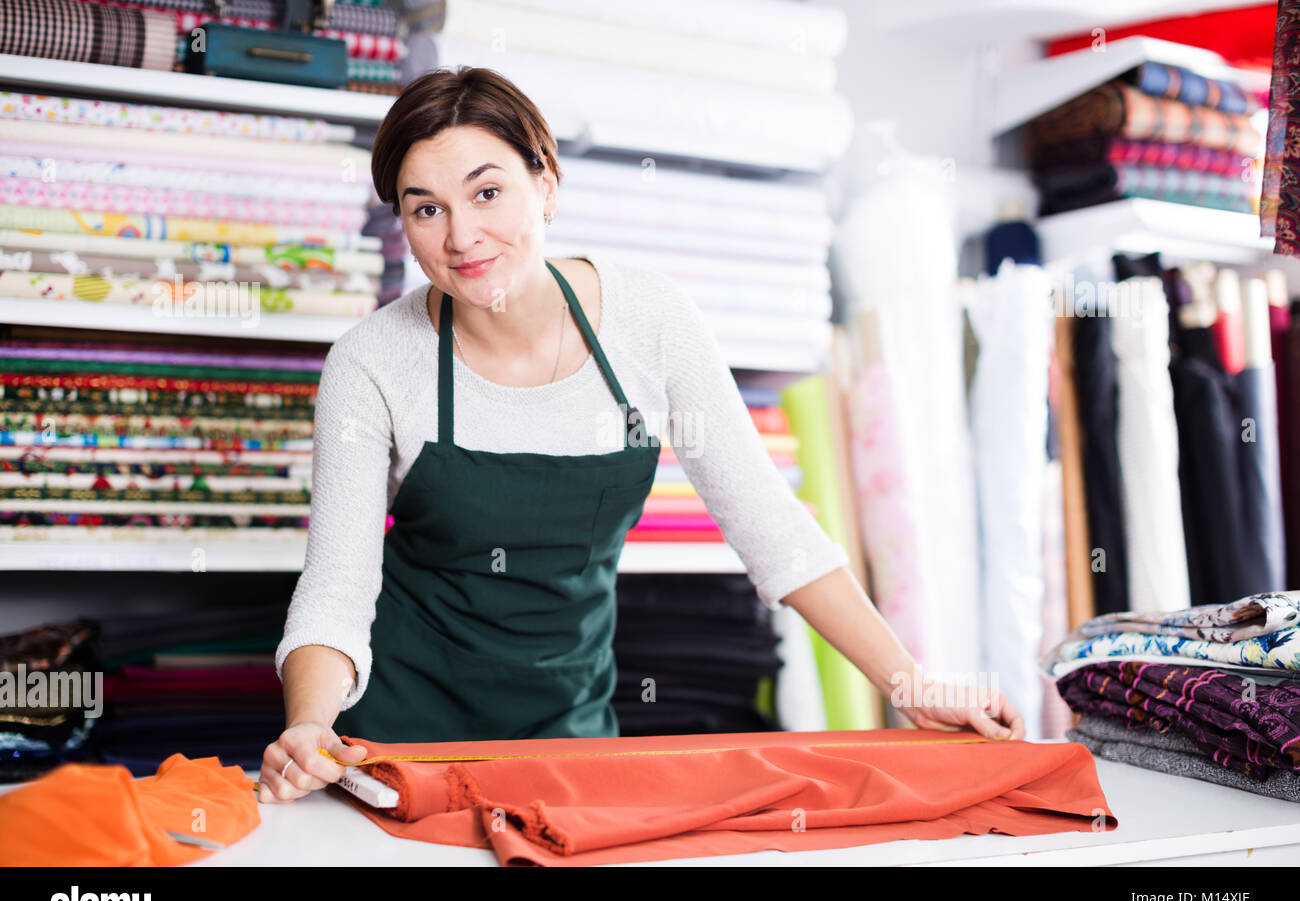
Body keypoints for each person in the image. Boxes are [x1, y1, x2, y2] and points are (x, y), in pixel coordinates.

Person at [258, 66, 1024, 803]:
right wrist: (310, 728)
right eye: (426, 209)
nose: (462, 236)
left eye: (488, 192)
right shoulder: (371, 360)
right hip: (401, 740)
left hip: (573, 733)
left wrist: (912, 685)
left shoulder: (649, 322)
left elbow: (776, 532)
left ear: (546, 186)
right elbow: (337, 589)